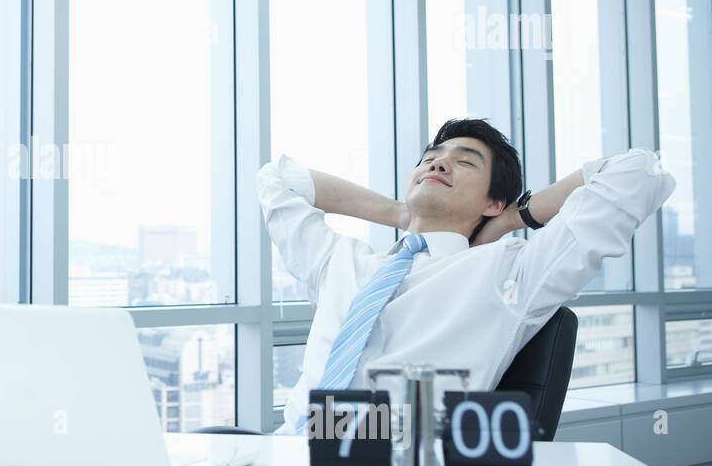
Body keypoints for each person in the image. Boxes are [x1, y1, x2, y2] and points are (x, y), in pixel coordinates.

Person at [258, 117, 676, 436]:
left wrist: (516, 217)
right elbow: (277, 181)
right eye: (431, 158)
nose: (439, 162)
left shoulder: (511, 273)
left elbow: (640, 173)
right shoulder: (341, 262)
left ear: (494, 201)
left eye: (465, 162)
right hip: (287, 452)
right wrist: (401, 213)